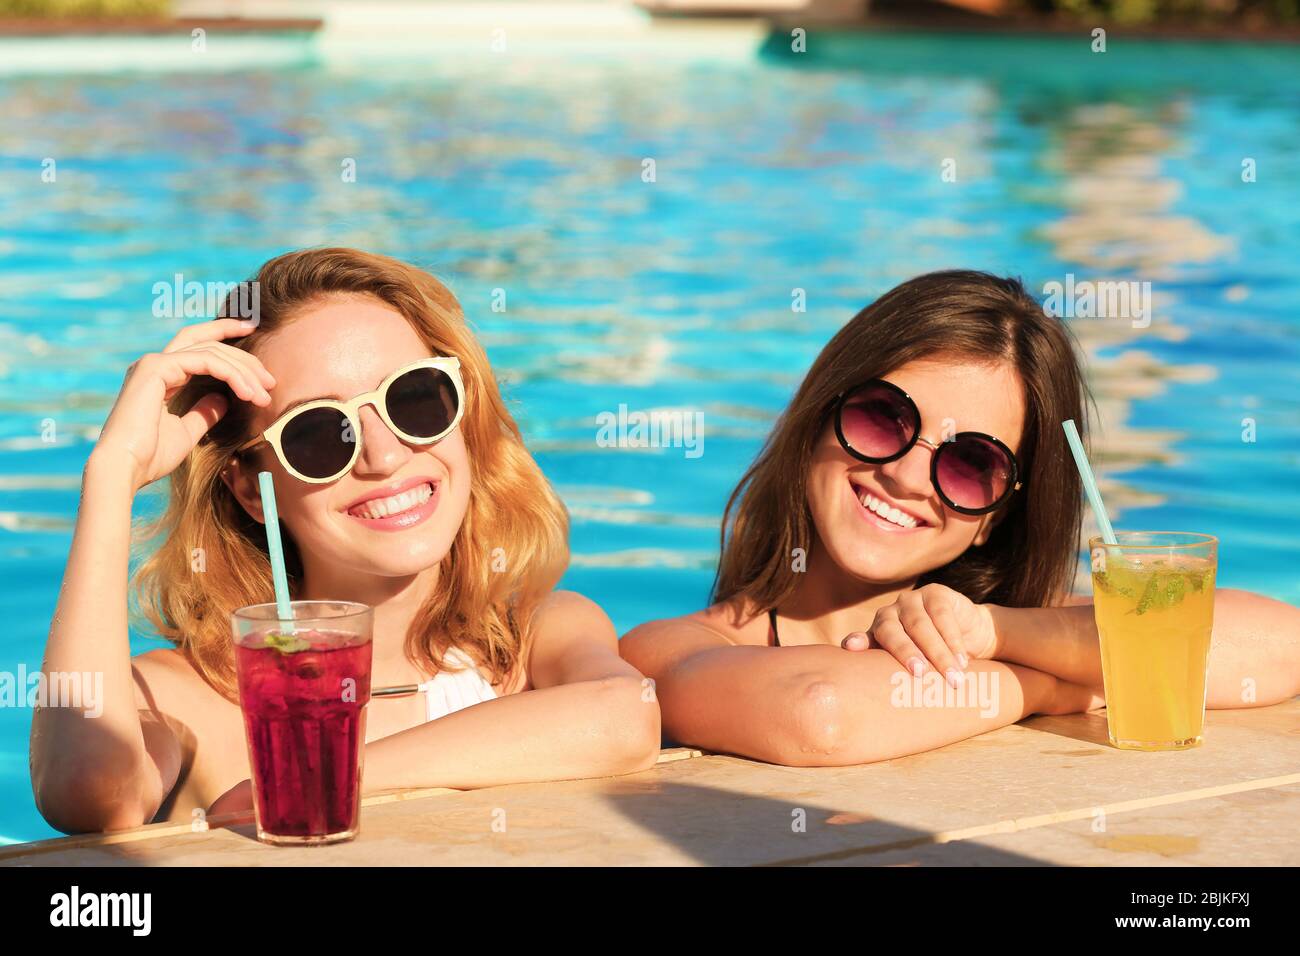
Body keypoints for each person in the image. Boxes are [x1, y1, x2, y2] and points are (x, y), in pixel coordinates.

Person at [32, 248, 660, 833]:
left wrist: (323, 781)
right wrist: (112, 475)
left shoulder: (531, 640)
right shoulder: (192, 697)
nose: (384, 456)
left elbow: (628, 712)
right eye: (317, 433)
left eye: (415, 398)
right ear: (252, 489)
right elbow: (90, 792)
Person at [620, 271, 1300, 766]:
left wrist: (991, 630)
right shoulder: (672, 649)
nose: (907, 476)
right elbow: (818, 713)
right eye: (882, 419)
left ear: (996, 516)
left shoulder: (1002, 627)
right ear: (816, 418)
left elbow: (1282, 643)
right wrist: (1061, 681)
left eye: (971, 463)